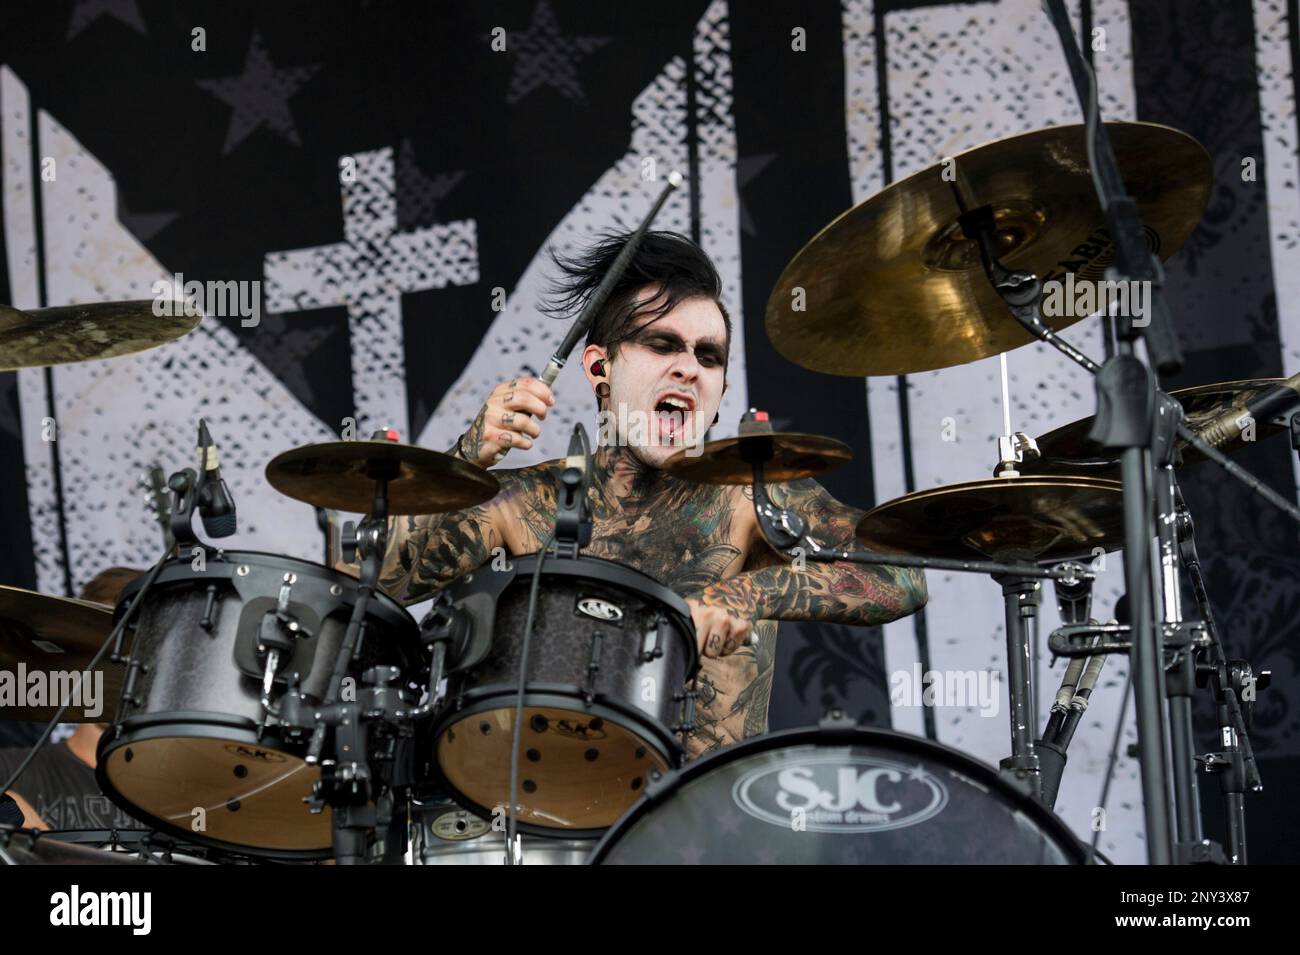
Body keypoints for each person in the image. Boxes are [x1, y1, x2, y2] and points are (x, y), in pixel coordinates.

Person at [380, 231, 927, 757]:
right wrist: (464, 456)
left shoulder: (752, 498)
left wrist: (746, 594)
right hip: (551, 817)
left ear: (720, 393)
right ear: (600, 367)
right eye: (661, 344)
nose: (688, 368)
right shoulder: (522, 503)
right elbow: (381, 586)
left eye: (708, 357)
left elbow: (902, 576)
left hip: (706, 828)